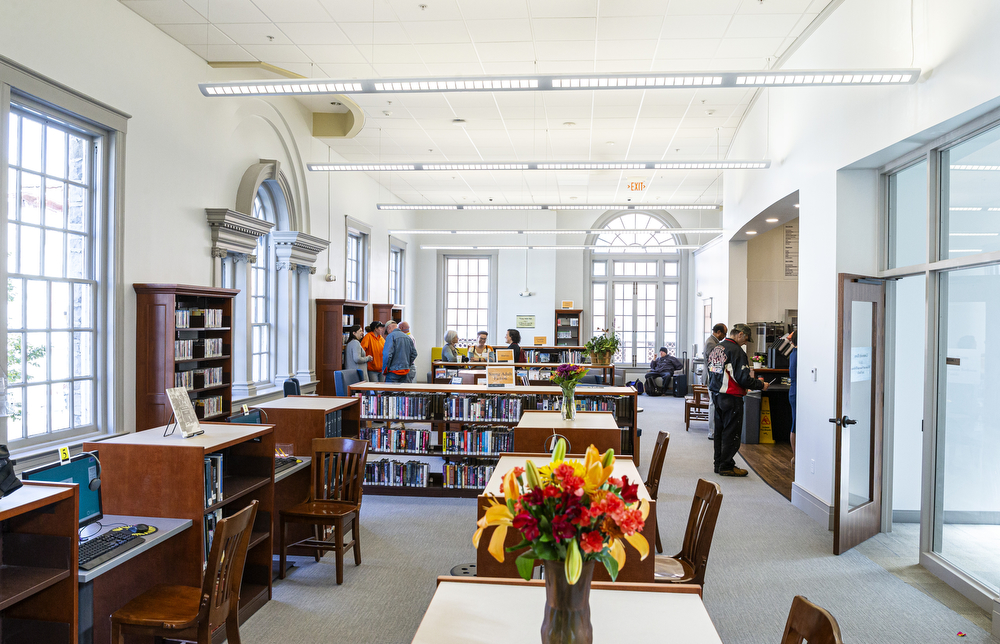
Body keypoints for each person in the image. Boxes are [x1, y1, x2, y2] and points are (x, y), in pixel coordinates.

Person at [707, 323, 769, 477]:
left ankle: (718, 463)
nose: (745, 343)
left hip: (717, 394)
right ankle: (727, 466)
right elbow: (743, 378)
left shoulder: (718, 348)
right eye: (746, 339)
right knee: (731, 433)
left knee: (720, 432)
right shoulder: (737, 351)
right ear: (740, 334)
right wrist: (761, 385)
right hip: (731, 396)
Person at [704, 323, 728, 440]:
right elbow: (713, 362)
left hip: (713, 377)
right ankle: (712, 432)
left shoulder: (713, 342)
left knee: (714, 403)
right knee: (713, 404)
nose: (725, 336)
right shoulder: (711, 343)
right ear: (718, 332)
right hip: (711, 377)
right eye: (724, 333)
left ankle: (715, 430)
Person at [787, 330, 797, 468]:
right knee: (796, 425)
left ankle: (796, 455)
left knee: (795, 424)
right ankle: (796, 456)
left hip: (793, 391)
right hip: (796, 392)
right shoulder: (798, 354)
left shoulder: (793, 353)